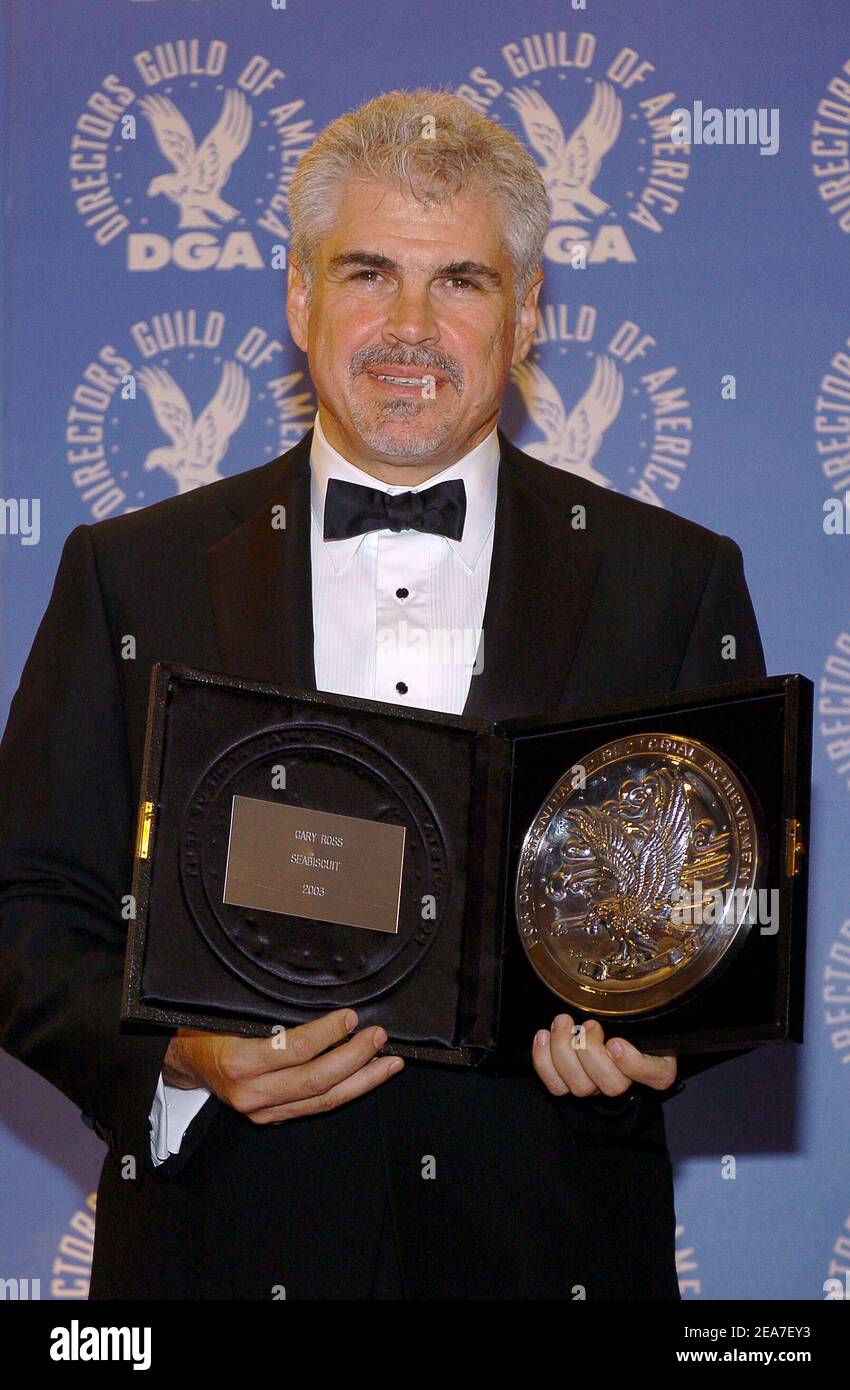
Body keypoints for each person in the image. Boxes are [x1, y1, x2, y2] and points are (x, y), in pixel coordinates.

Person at [0, 89, 765, 1300]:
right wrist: (180, 1060)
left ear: (524, 320)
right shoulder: (127, 572)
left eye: (460, 280)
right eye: (369, 274)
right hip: (217, 1261)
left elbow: (721, 910)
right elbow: (26, 909)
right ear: (300, 298)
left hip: (548, 1261)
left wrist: (653, 1033)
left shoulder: (672, 580)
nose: (410, 326)